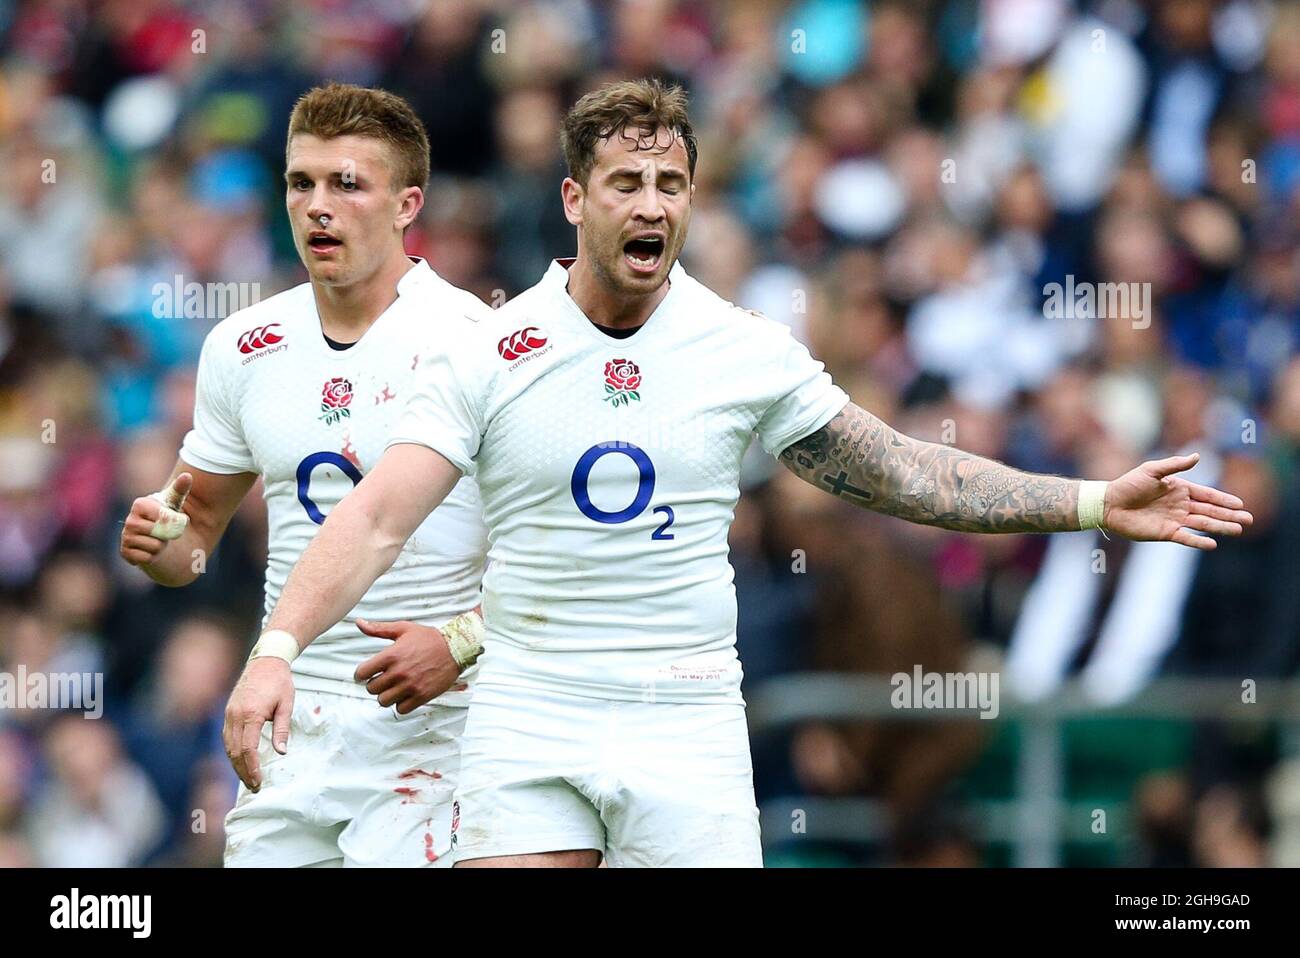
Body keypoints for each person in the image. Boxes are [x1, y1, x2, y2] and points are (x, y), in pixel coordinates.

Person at [236, 78, 1253, 867]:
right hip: (527, 707)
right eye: (627, 183)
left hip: (683, 714)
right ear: (573, 197)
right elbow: (374, 519)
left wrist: (1086, 501)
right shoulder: (487, 351)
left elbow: (900, 471)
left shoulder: (740, 350)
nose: (652, 204)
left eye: (671, 184)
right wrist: (279, 645)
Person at [119, 83, 491, 867]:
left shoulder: (475, 342)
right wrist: (161, 542)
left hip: (435, 724)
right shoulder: (243, 345)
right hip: (287, 712)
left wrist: (461, 639)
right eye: (301, 183)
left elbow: (545, 550)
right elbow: (193, 544)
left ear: (405, 204)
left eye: (347, 184)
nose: (317, 206)